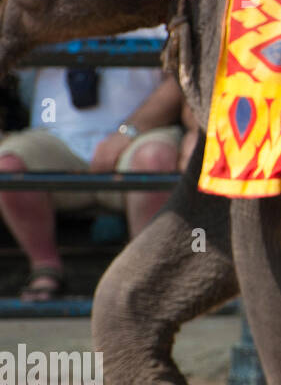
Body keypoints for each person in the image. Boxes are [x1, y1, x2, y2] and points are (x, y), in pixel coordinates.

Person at [0, 28, 185, 301]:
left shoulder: (151, 12)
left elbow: (180, 82)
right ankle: (45, 269)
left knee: (154, 158)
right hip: (55, 140)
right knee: (8, 164)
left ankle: (143, 274)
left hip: (139, 137)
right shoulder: (43, 10)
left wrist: (127, 132)